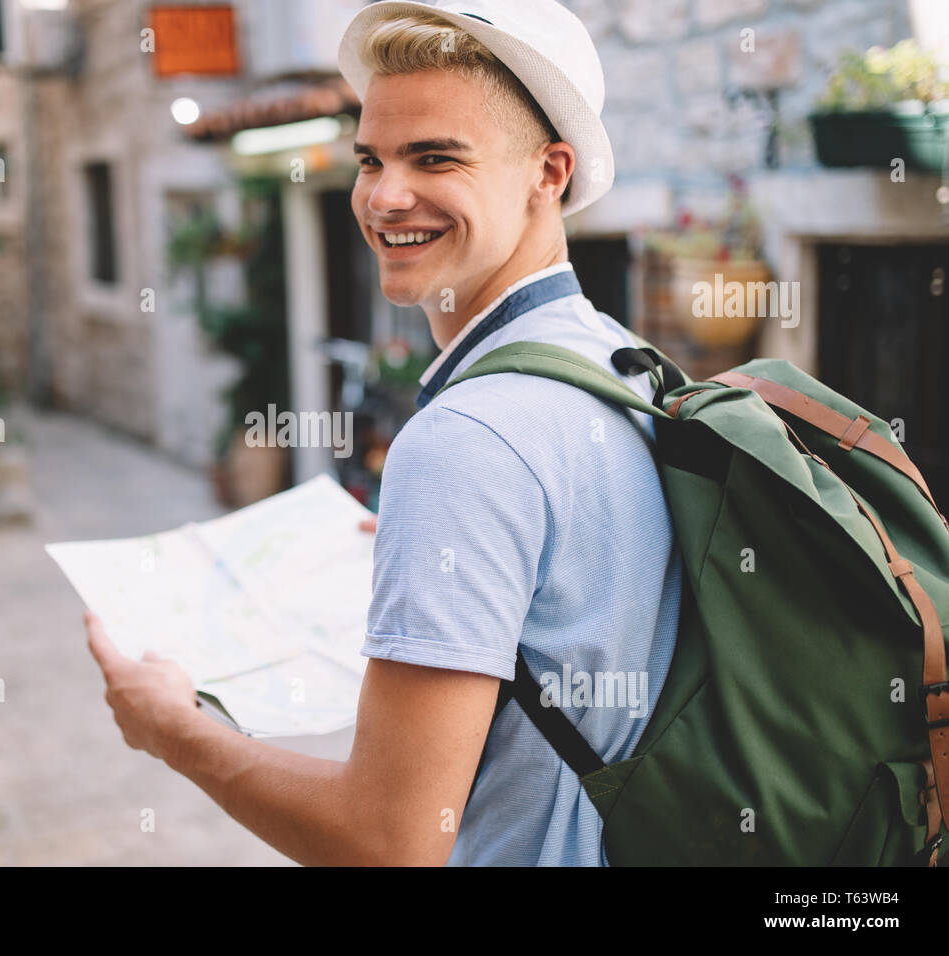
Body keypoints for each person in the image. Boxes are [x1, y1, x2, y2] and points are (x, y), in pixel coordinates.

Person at [85, 0, 682, 866]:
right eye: (371, 159)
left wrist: (173, 729)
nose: (384, 197)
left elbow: (389, 841)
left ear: (549, 172)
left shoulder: (469, 440)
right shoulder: (623, 359)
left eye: (435, 157)